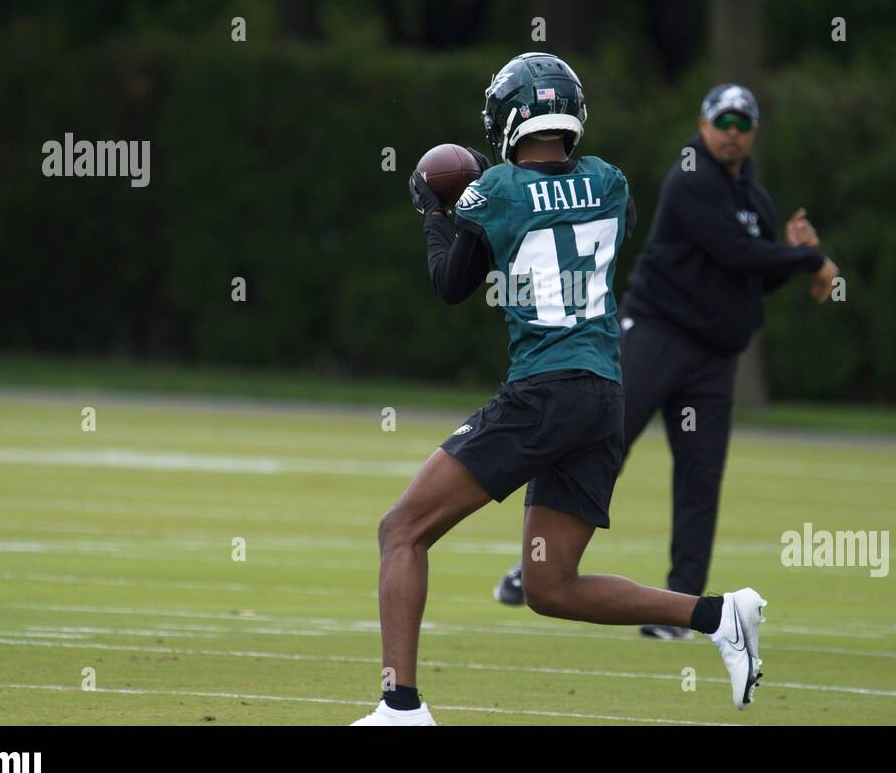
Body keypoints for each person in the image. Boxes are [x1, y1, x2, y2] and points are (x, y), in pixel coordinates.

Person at [351, 55, 766, 725]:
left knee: (401, 530)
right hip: (605, 394)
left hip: (545, 391)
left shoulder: (497, 192)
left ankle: (400, 707)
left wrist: (437, 210)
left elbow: (451, 285)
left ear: (507, 116)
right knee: (550, 584)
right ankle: (718, 615)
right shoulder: (609, 181)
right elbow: (598, 222)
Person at [492, 83, 837, 643]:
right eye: (722, 121)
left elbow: (754, 273)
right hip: (656, 335)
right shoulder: (691, 177)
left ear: (753, 133)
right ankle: (536, 562)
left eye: (742, 124)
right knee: (603, 442)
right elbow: (732, 250)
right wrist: (811, 258)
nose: (731, 133)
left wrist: (794, 254)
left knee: (701, 475)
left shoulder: (757, 201)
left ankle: (681, 608)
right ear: (703, 124)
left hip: (713, 359)